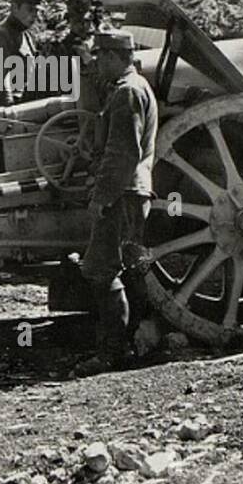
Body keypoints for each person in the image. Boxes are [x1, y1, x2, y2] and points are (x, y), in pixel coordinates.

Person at [77, 30, 158, 373]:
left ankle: (112, 354)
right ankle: (137, 346)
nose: (95, 64)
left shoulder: (126, 93)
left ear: (113, 56)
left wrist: (101, 197)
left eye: (99, 57)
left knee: (99, 268)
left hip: (122, 194)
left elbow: (122, 154)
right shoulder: (135, 87)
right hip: (133, 192)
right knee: (128, 268)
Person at [0, 0, 46, 107]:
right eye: (30, 10)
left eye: (36, 11)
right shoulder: (1, 37)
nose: (34, 15)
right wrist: (11, 115)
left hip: (27, 106)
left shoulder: (27, 36)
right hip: (9, 112)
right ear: (14, 7)